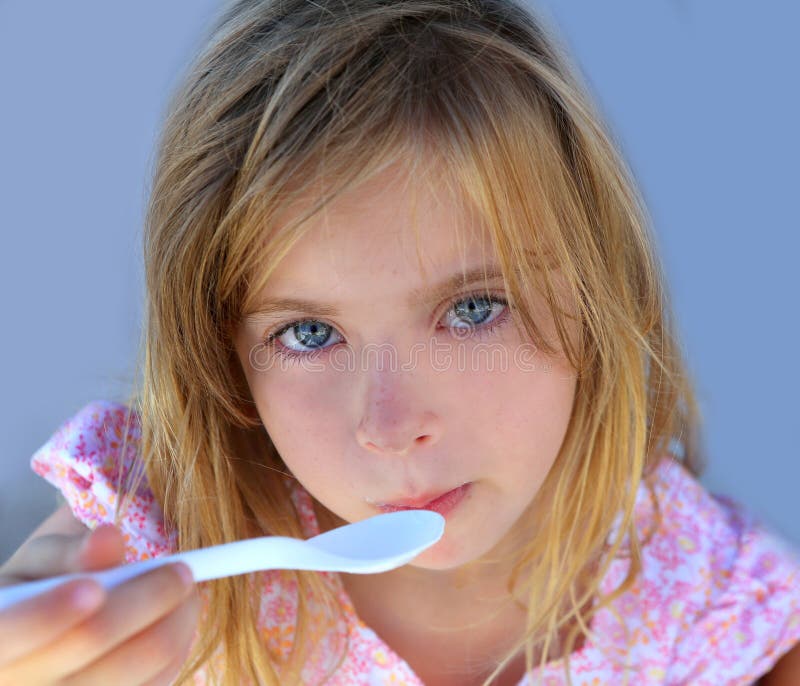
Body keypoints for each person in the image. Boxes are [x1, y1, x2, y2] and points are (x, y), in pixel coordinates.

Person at [1, 0, 799, 684]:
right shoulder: (166, 528)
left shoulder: (695, 585)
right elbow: (58, 585)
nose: (391, 426)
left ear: (597, 297)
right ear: (222, 357)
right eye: (308, 333)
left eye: (476, 309)